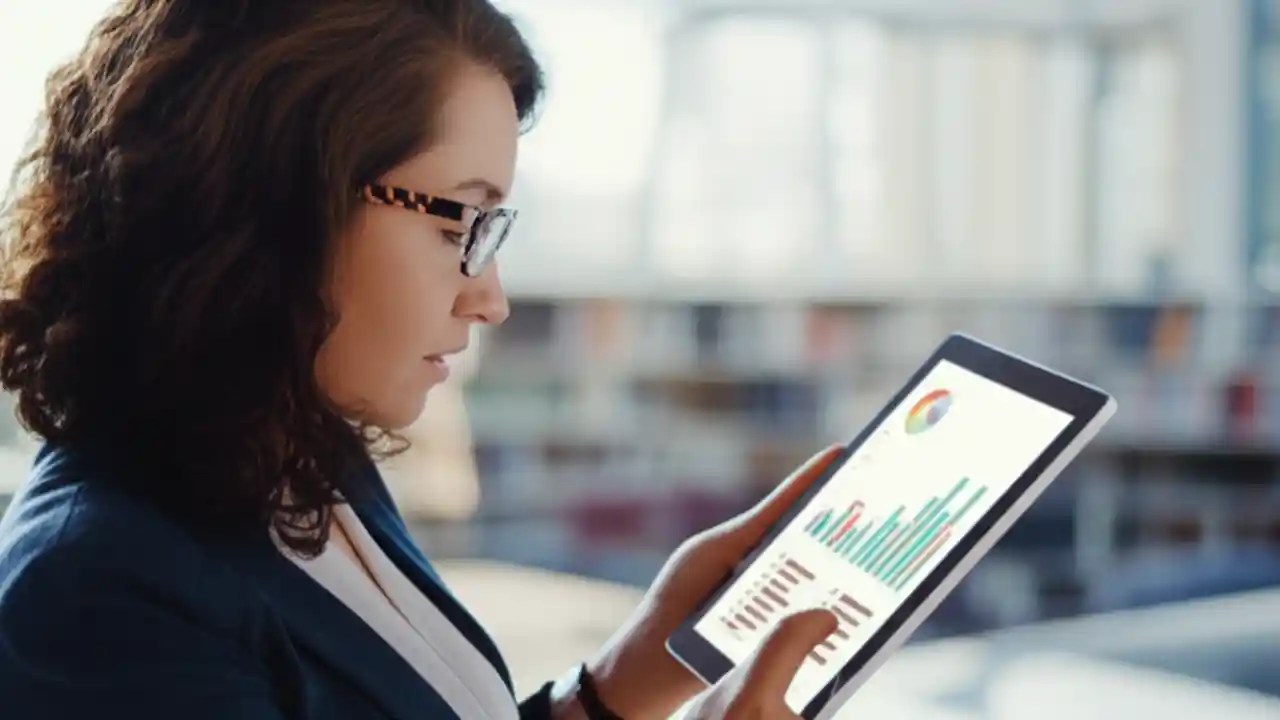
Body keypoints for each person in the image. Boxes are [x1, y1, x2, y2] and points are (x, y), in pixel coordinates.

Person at [0, 2, 840, 718]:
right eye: (458, 225)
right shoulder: (98, 599)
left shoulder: (300, 457)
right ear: (276, 202)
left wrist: (618, 686)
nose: (490, 297)